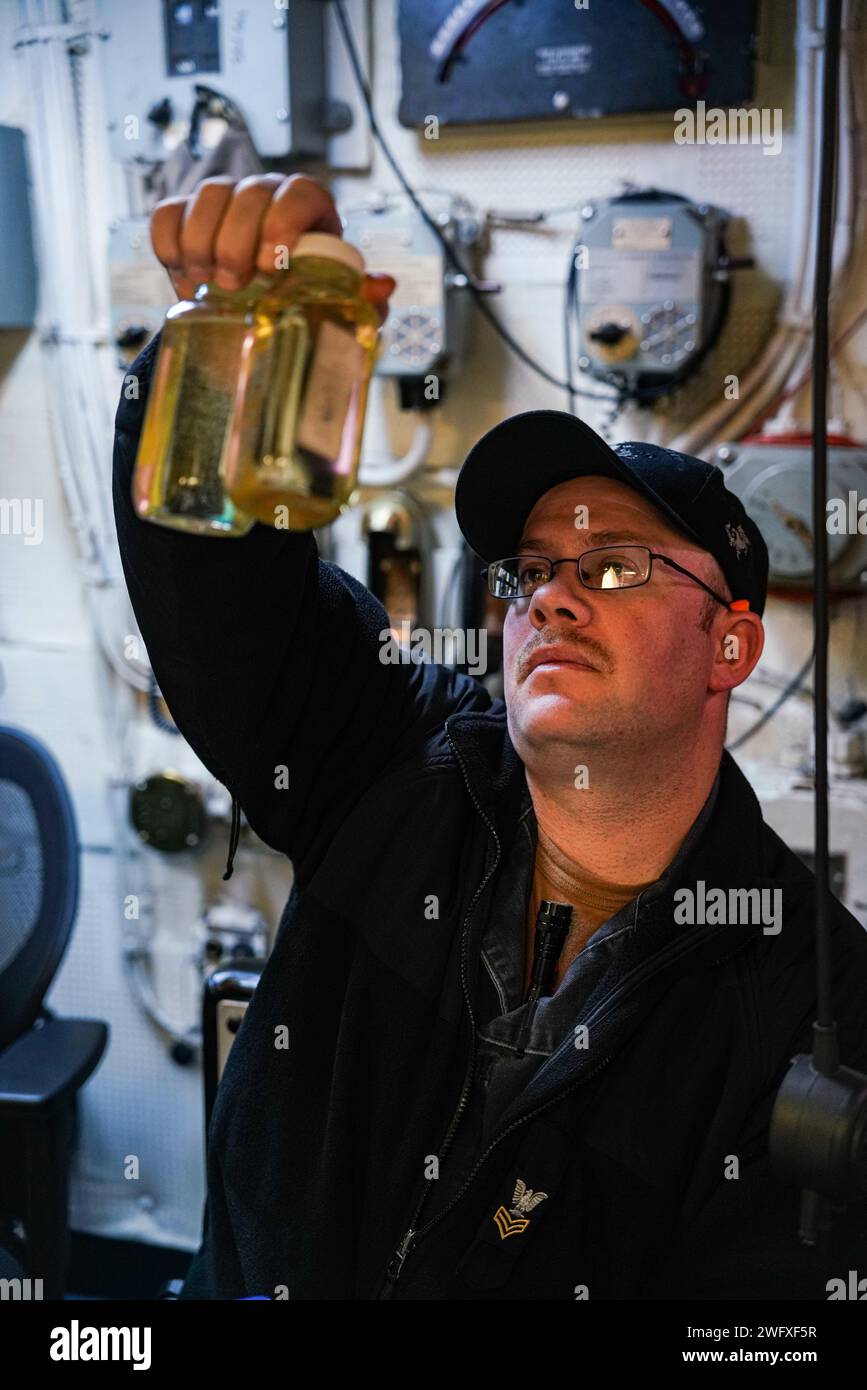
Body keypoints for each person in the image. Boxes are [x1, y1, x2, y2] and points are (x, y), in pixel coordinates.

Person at [113, 174, 867, 1300]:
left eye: (612, 566)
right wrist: (224, 354)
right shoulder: (382, 767)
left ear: (731, 646)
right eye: (527, 572)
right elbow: (227, 597)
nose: (550, 600)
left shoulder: (813, 1005)